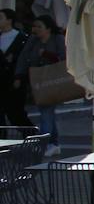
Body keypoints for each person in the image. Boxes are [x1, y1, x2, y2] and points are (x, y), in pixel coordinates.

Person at [16, 15, 65, 149]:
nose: (35, 29)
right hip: (38, 81)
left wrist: (46, 54)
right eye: (34, 26)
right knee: (47, 112)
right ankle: (53, 143)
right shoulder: (33, 40)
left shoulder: (58, 39)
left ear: (48, 28)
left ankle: (46, 144)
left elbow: (64, 58)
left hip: (54, 80)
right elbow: (24, 57)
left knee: (46, 111)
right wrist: (19, 76)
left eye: (39, 26)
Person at [0, 8, 26, 130]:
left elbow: (23, 59)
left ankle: (32, 138)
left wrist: (18, 77)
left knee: (15, 112)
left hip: (14, 80)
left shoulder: (21, 37)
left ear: (9, 20)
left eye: (1, 18)